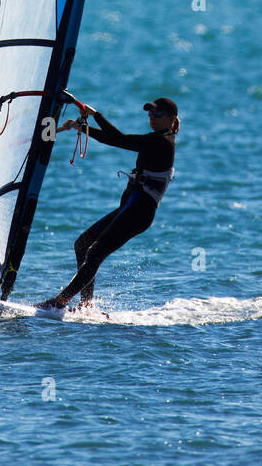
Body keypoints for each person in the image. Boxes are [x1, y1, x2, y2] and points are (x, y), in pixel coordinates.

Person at [38, 96, 179, 311]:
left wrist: (90, 122)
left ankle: (60, 301)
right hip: (131, 207)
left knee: (94, 252)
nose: (152, 118)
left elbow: (119, 140)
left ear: (171, 119)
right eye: (150, 114)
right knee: (83, 244)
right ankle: (86, 304)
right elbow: (118, 138)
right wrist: (88, 122)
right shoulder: (158, 138)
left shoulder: (162, 142)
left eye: (157, 114)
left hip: (139, 211)